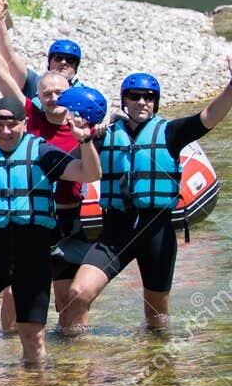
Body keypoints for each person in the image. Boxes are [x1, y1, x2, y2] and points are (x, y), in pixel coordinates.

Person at [59, 61, 232, 332]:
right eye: (134, 96)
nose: (142, 101)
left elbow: (210, 116)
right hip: (116, 230)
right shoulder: (103, 134)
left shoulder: (172, 133)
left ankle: (157, 367)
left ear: (156, 102)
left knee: (157, 319)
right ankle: (76, 366)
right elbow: (67, 165)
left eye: (149, 97)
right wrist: (88, 137)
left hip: (157, 232)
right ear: (124, 101)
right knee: (78, 293)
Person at [0, 96, 100, 366]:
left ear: (25, 125)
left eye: (12, 124)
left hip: (33, 255)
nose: (5, 131)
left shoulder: (42, 152)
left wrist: (84, 140)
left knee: (32, 338)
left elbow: (89, 173)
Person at [0, 0, 85, 326]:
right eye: (47, 93)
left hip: (67, 219)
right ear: (37, 97)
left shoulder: (83, 123)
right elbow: (1, 69)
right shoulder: (29, 117)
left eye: (59, 93)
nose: (53, 97)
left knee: (69, 296)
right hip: (30, 217)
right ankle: (10, 351)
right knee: (12, 291)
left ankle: (71, 363)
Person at [0, 0, 83, 111]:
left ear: (76, 67)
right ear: (49, 63)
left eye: (70, 60)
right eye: (58, 58)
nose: (64, 62)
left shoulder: (83, 94)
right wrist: (0, 20)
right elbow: (9, 57)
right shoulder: (35, 84)